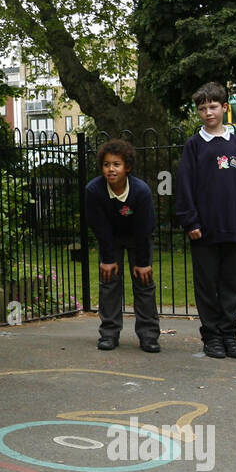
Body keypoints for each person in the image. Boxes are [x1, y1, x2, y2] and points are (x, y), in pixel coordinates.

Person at [175, 82, 236, 359]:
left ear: (225, 107)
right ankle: (211, 336)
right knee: (207, 286)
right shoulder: (194, 145)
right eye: (202, 108)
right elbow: (185, 186)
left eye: (213, 107)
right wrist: (191, 222)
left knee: (231, 286)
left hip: (235, 227)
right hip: (205, 230)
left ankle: (229, 335)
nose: (208, 112)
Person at [85, 139, 159, 352]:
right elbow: (100, 227)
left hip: (138, 238)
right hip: (111, 239)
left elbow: (145, 228)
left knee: (144, 283)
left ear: (127, 167)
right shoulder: (94, 190)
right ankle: (109, 333)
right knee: (109, 283)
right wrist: (107, 259)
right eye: (107, 164)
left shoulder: (141, 191)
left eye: (116, 164)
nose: (111, 169)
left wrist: (143, 263)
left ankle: (149, 335)